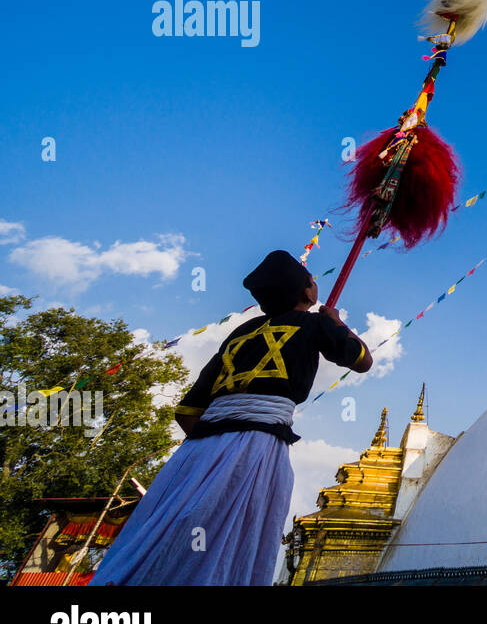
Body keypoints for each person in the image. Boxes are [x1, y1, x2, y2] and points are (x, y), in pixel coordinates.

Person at [90, 250, 373, 585]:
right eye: (312, 280)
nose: (316, 285)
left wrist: (214, 441)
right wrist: (336, 323)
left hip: (196, 452)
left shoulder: (240, 333)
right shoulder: (316, 323)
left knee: (169, 525)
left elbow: (187, 412)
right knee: (228, 536)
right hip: (255, 446)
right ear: (308, 293)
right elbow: (361, 359)